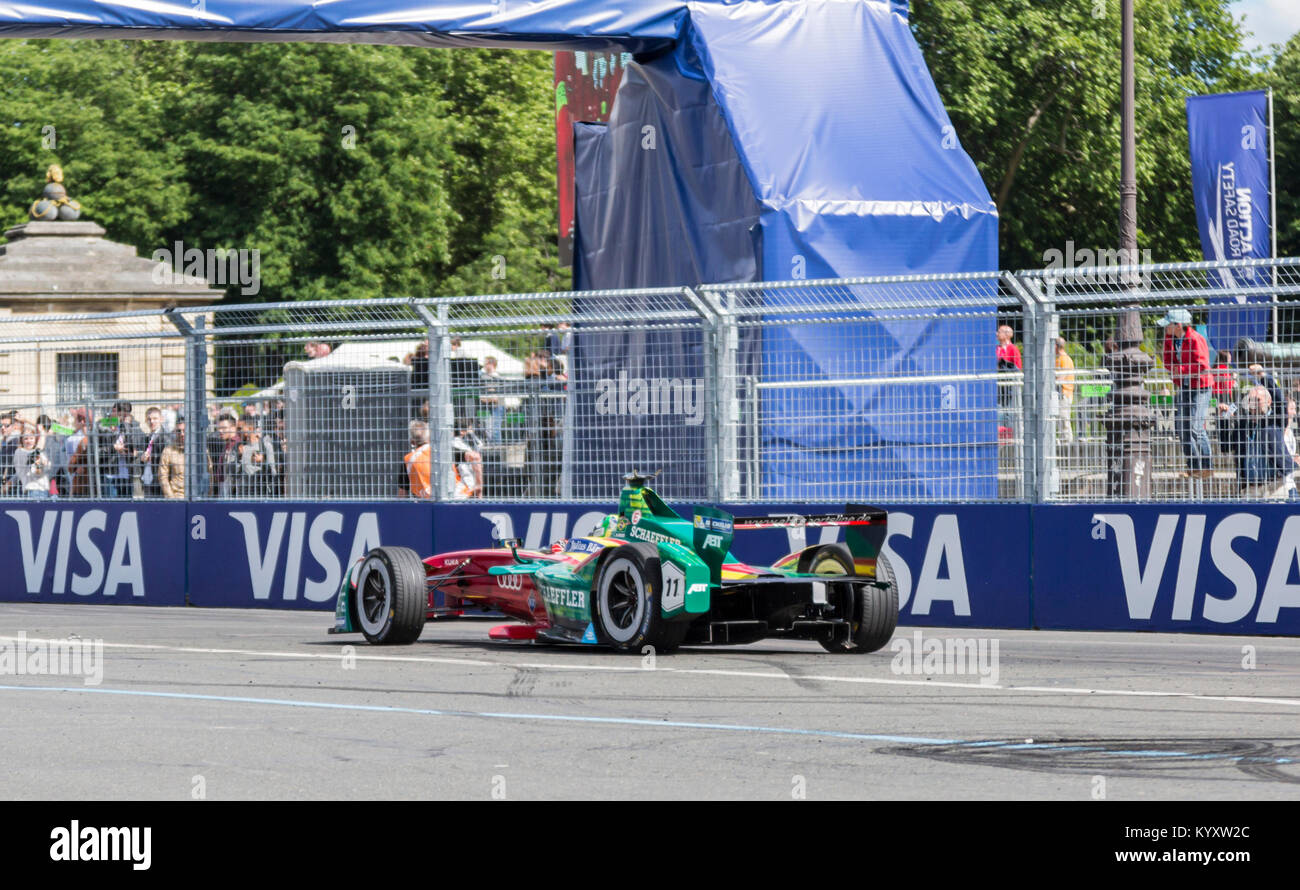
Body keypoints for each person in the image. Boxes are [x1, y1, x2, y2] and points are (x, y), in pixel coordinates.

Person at [1157, 309, 1212, 478]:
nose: (1165, 328)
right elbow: (1167, 362)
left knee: (1196, 428)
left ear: (1178, 325)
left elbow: (1202, 366)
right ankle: (1194, 467)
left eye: (1168, 324)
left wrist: (1179, 370)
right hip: (1185, 385)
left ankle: (1207, 466)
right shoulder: (1170, 339)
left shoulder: (1195, 339)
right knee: (1182, 428)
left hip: (1201, 386)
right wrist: (1178, 371)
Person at [158, 420, 199, 499]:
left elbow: (209, 473)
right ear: (174, 432)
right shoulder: (168, 450)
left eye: (185, 431)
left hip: (197, 496)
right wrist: (171, 497)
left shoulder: (199, 450)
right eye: (179, 431)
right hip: (177, 496)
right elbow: (162, 476)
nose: (182, 434)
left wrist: (207, 496)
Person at [12, 427, 53, 499]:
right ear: (22, 441)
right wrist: (43, 435)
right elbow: (33, 456)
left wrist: (42, 463)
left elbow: (47, 468)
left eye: (31, 438)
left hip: (44, 490)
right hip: (32, 489)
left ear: (35, 440)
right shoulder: (19, 452)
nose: (29, 441)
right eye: (26, 438)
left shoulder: (41, 453)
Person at [137, 407, 167, 497]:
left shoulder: (165, 437)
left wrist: (151, 457)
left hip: (158, 483)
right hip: (148, 480)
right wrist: (142, 457)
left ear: (161, 419)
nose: (152, 421)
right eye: (149, 419)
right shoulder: (148, 437)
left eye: (155, 418)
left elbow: (166, 460)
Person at [401, 420, 433, 499]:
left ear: (412, 442)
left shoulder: (408, 459)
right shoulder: (440, 453)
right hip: (453, 498)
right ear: (430, 438)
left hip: (422, 502)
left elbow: (402, 491)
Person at [1055, 337, 1076, 444]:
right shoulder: (1057, 358)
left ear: (1056, 346)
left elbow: (1062, 377)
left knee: (1064, 419)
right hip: (1059, 393)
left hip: (1064, 393)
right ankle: (1063, 441)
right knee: (1059, 419)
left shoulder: (1064, 359)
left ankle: (1067, 443)